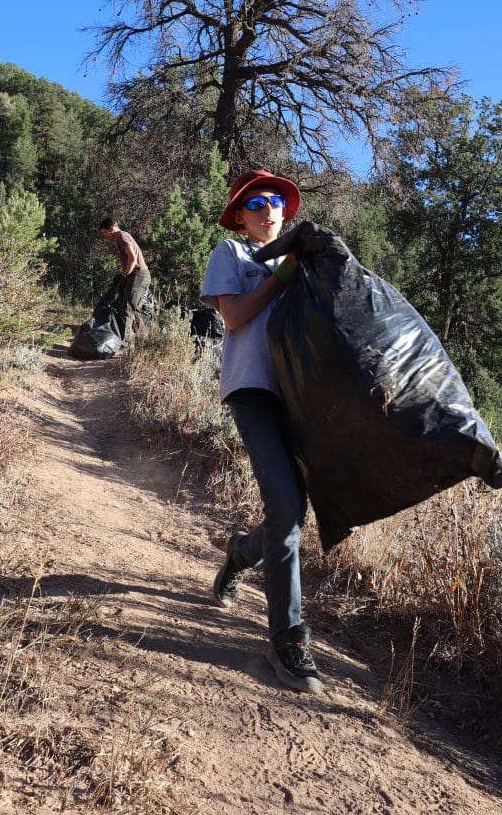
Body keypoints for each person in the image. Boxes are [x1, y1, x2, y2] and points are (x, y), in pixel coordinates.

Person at [200, 169, 323, 695]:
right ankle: (288, 641)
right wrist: (281, 276)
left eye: (275, 200)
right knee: (283, 501)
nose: (267, 208)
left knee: (292, 509)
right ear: (241, 216)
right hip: (252, 390)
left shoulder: (303, 256)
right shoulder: (232, 253)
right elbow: (234, 318)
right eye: (255, 203)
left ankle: (241, 553)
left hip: (300, 398)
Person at [98, 216, 151, 350]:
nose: (105, 236)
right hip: (141, 274)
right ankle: (143, 341)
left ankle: (126, 343)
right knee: (135, 309)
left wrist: (125, 275)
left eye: (105, 233)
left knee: (127, 308)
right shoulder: (123, 236)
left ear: (111, 229)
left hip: (138, 275)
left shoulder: (121, 236)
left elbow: (132, 259)